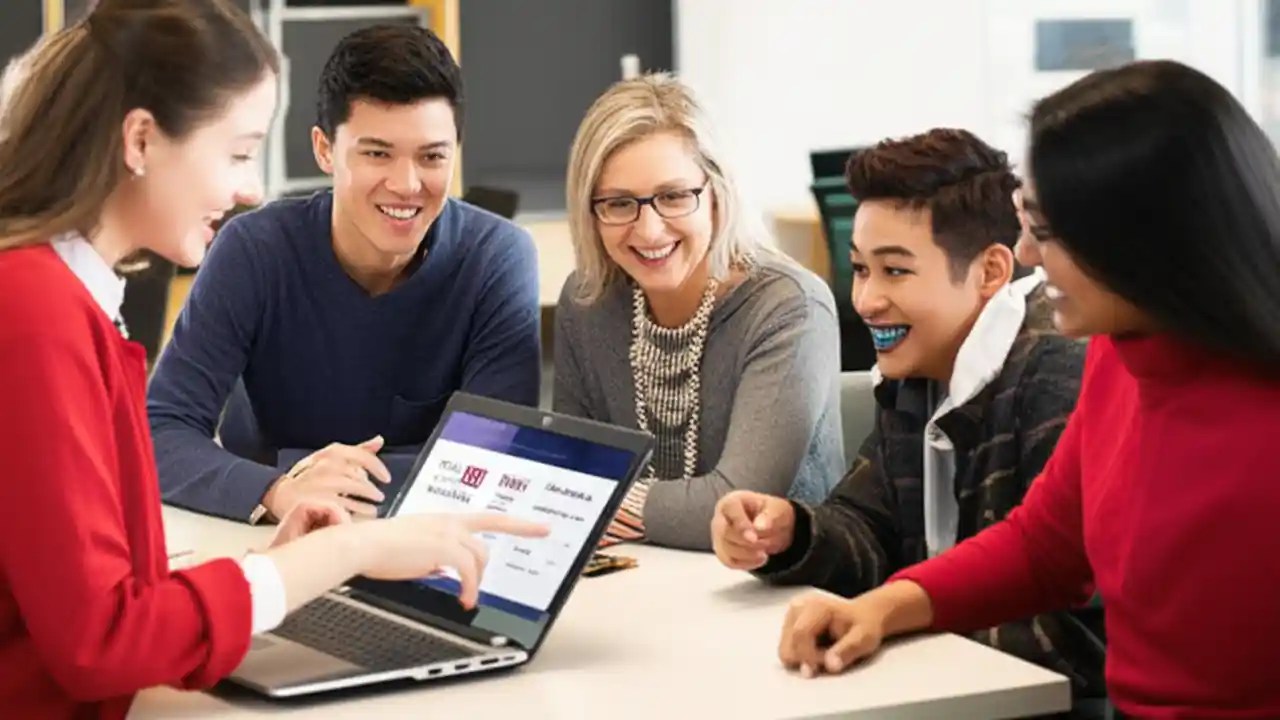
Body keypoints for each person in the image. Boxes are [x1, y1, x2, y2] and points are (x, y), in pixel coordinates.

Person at [0, 3, 545, 717]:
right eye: (237, 152)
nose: (252, 188)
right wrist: (331, 552)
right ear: (140, 141)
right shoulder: (34, 312)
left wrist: (275, 568)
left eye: (432, 155)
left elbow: (107, 597)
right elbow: (106, 640)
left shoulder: (60, 303)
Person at [777, 60, 1280, 719]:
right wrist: (884, 608)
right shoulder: (1117, 354)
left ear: (1143, 239)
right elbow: (1045, 545)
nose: (1026, 255)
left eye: (1043, 231)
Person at [710, 128, 1104, 699]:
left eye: (894, 271)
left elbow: (1078, 624)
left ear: (991, 272)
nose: (865, 301)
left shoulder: (1058, 375)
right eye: (860, 269)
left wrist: (893, 621)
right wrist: (792, 533)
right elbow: (871, 526)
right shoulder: (918, 364)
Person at [147, 23, 541, 525]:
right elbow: (162, 430)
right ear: (325, 149)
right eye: (377, 153)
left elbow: (495, 460)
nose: (407, 184)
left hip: (423, 538)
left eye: (432, 156)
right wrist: (280, 490)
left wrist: (301, 473)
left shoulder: (497, 258)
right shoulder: (253, 251)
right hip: (269, 534)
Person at [554, 74, 843, 550]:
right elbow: (568, 471)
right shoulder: (587, 300)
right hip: (633, 573)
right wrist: (576, 494)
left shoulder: (789, 307)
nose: (649, 230)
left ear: (716, 194)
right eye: (619, 203)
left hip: (773, 585)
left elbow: (739, 508)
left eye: (673, 197)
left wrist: (594, 501)